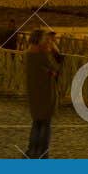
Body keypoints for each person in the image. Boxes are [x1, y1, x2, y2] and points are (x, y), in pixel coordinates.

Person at [24, 29, 62, 159]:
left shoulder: (29, 54)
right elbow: (56, 67)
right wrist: (52, 49)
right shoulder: (43, 55)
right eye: (46, 40)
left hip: (34, 93)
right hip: (46, 93)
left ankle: (32, 150)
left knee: (36, 123)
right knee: (45, 124)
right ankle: (43, 152)